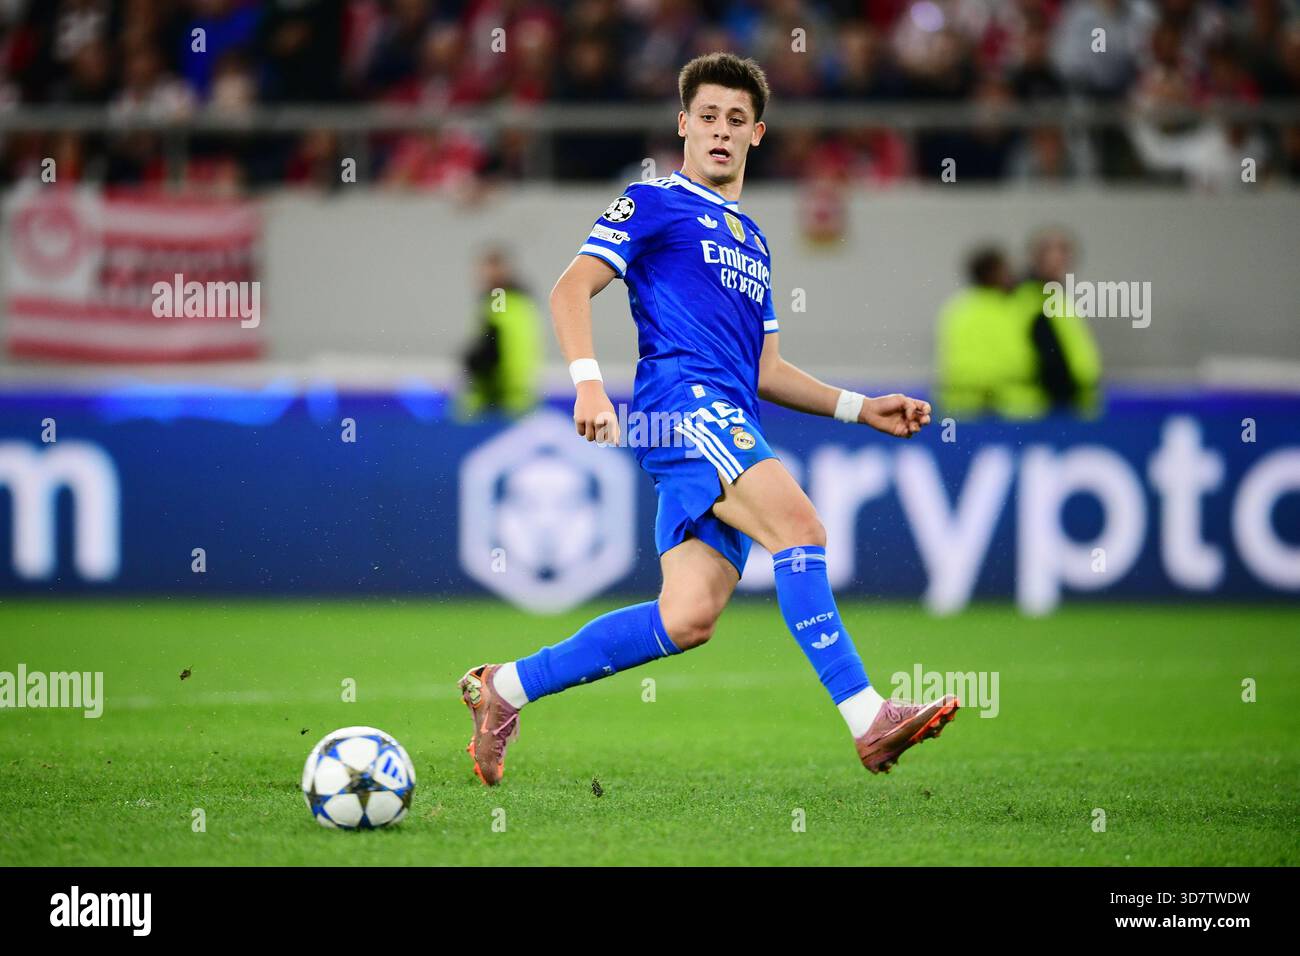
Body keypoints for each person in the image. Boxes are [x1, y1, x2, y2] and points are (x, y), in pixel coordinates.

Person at [457, 53, 957, 786]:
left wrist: (860, 408)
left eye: (736, 120)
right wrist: (589, 386)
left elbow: (767, 370)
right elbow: (570, 290)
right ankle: (868, 718)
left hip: (725, 411)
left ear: (757, 133)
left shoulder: (753, 239)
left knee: (687, 617)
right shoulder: (654, 202)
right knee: (803, 531)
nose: (720, 131)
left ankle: (505, 689)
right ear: (683, 125)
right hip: (681, 405)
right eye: (708, 117)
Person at [935, 244, 1045, 418]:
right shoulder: (1015, 308)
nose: (1011, 275)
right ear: (992, 273)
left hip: (965, 408)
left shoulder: (958, 309)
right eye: (1005, 270)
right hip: (1012, 407)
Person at [1010, 227, 1103, 416]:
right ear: (1034, 257)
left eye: (1063, 251)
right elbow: (1050, 361)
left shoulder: (1057, 299)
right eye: (1049, 251)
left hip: (1075, 407)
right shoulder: (1031, 300)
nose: (1058, 258)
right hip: (1047, 411)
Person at [458, 247, 541, 417]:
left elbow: (496, 343)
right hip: (512, 396)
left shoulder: (499, 298)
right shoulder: (515, 300)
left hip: (500, 397)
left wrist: (476, 364)